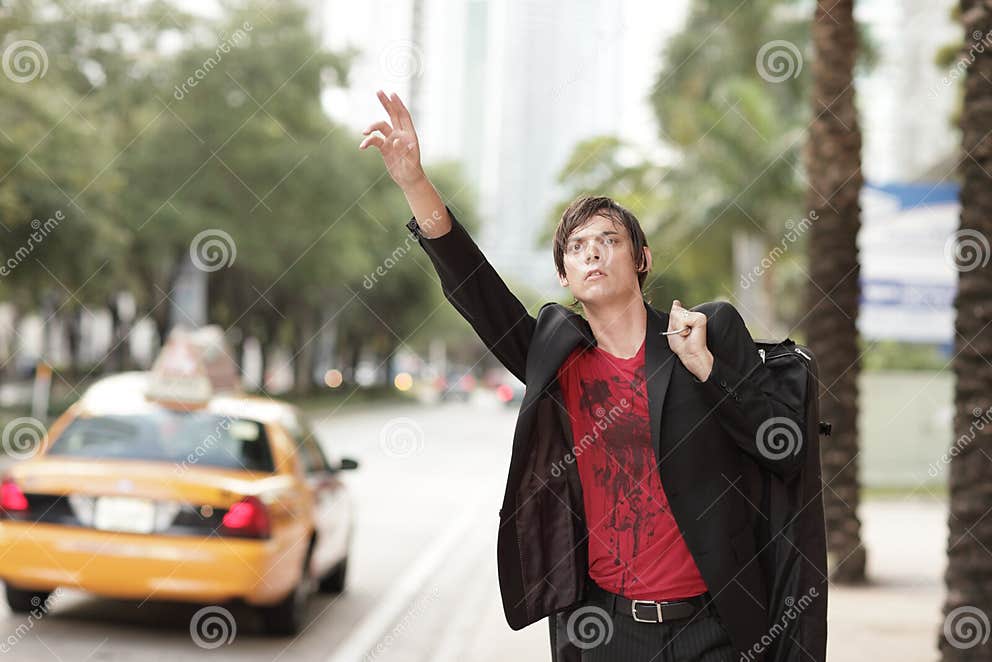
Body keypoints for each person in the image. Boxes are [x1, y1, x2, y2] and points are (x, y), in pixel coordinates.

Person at [359, 90, 814, 662]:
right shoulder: (558, 358)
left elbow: (784, 449)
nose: (593, 253)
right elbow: (476, 291)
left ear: (641, 259)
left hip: (713, 628)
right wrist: (414, 183)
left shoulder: (706, 334)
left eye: (609, 240)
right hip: (603, 629)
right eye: (578, 247)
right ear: (565, 275)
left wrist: (709, 372)